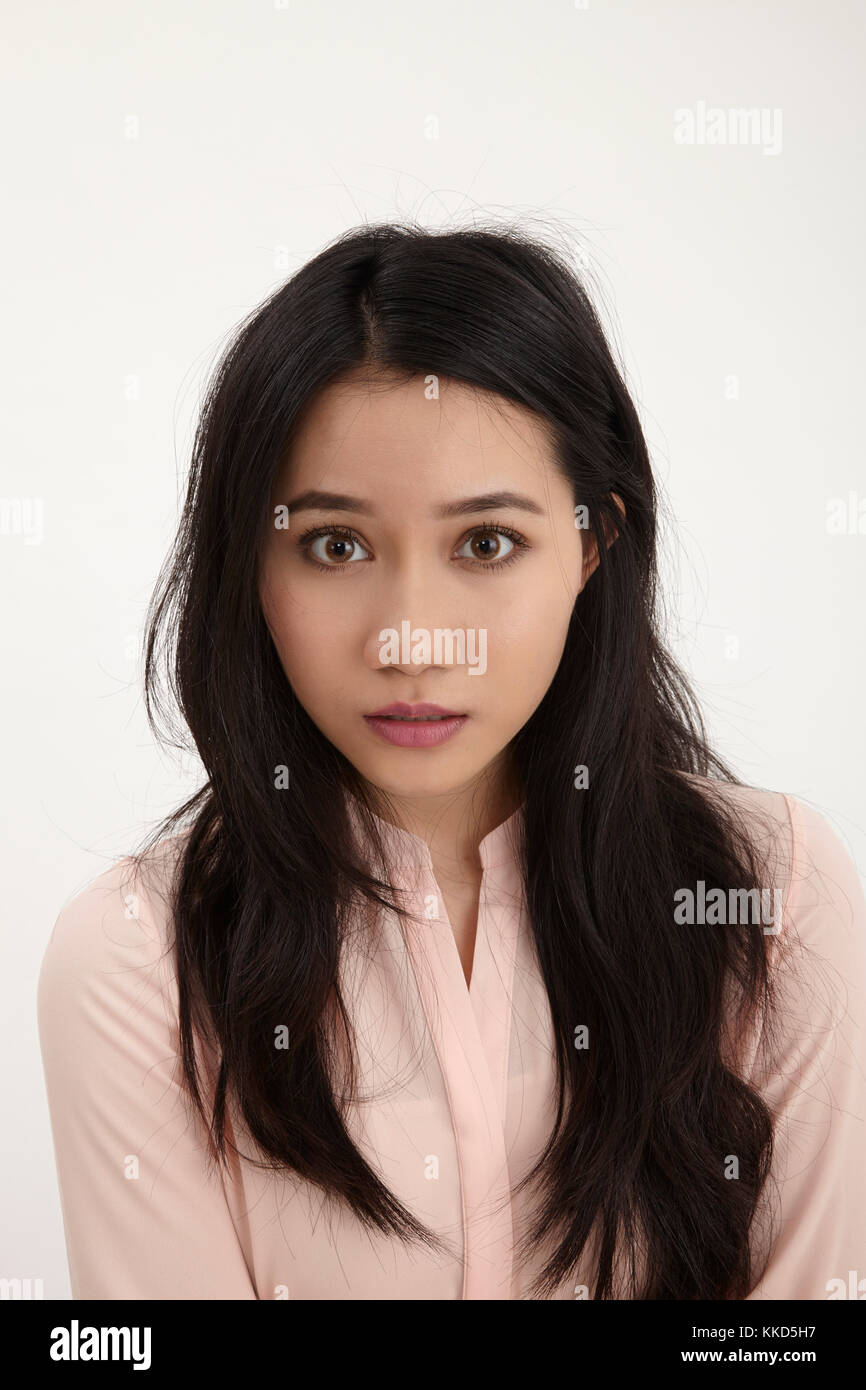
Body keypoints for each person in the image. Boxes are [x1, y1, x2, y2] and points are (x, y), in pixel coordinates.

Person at [37, 223, 866, 1299]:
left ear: (590, 543)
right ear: (251, 563)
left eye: (484, 544)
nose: (412, 636)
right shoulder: (138, 965)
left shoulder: (767, 894)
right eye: (335, 545)